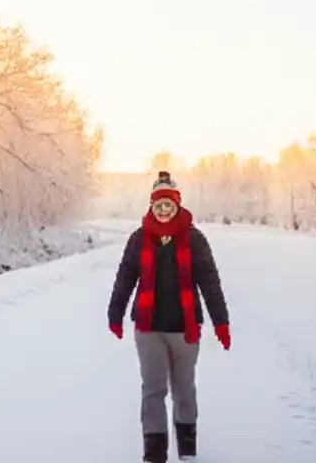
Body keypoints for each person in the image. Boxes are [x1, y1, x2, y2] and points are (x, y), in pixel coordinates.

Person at [108, 171, 230, 462]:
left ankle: (187, 452)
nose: (163, 210)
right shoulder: (140, 238)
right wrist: (116, 312)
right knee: (153, 391)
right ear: (151, 206)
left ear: (177, 205)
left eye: (169, 205)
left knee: (184, 390)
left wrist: (221, 321)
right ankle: (154, 454)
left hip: (184, 330)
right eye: (158, 205)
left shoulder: (194, 238)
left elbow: (209, 281)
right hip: (149, 329)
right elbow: (125, 276)